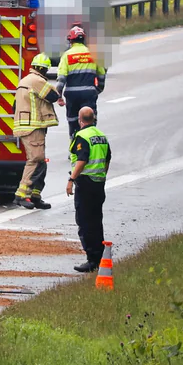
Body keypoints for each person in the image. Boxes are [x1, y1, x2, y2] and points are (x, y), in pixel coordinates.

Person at [14, 53, 63, 210]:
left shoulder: (25, 80)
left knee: (41, 161)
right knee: (35, 159)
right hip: (33, 126)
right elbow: (53, 96)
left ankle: (35, 195)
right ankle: (22, 194)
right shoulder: (37, 80)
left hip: (28, 126)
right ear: (44, 69)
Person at [66, 106, 110, 273]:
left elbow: (82, 160)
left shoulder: (82, 136)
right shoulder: (101, 136)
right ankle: (99, 256)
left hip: (85, 184)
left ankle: (92, 259)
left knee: (85, 222)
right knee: (96, 221)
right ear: (93, 118)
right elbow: (107, 159)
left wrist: (71, 179)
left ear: (80, 119)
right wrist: (102, 176)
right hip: (98, 184)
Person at [55, 24, 106, 141]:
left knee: (73, 121)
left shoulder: (67, 55)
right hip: (89, 93)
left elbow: (61, 79)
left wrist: (59, 96)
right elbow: (101, 75)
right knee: (89, 120)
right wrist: (98, 89)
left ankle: (74, 148)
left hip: (72, 95)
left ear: (70, 40)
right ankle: (89, 144)